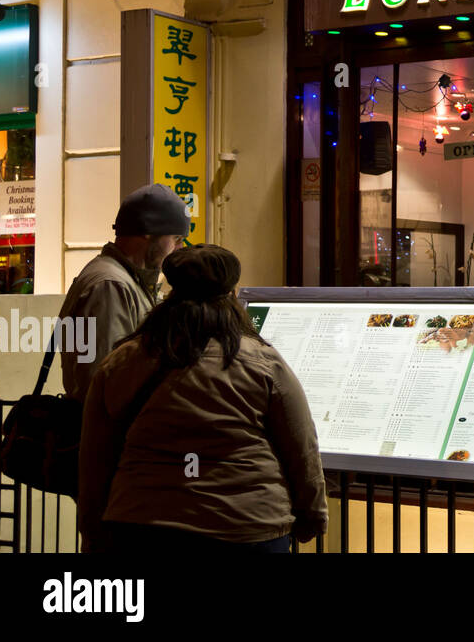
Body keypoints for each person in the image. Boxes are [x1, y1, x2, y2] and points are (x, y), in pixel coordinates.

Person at [77, 244, 327, 553]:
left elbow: (95, 457)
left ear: (171, 295)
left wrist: (91, 530)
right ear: (231, 295)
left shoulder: (122, 362)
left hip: (141, 525)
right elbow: (301, 447)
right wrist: (312, 515)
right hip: (247, 526)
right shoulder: (263, 363)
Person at [56, 183, 191, 402]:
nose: (179, 248)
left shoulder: (127, 280)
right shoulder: (110, 286)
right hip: (106, 431)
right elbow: (103, 380)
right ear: (148, 232)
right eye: (176, 239)